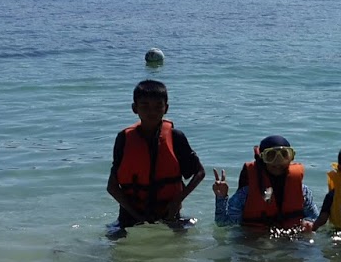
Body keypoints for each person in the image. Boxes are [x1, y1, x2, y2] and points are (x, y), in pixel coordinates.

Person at [105, 79, 205, 238]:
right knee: (114, 251)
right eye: (145, 106)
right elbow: (112, 187)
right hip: (131, 215)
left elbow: (199, 173)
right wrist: (137, 216)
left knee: (182, 251)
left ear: (166, 108)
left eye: (158, 106)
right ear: (134, 108)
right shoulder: (124, 138)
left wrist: (176, 201)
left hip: (169, 213)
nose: (152, 111)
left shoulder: (176, 137)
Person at [212, 135, 318, 231]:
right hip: (253, 244)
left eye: (284, 155)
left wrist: (309, 222)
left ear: (291, 158)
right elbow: (223, 224)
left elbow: (314, 217)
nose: (278, 161)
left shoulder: (303, 191)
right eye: (271, 155)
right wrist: (221, 198)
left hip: (290, 243)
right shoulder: (246, 193)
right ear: (262, 159)